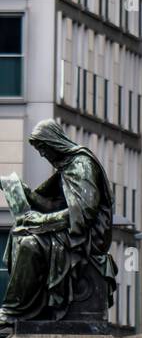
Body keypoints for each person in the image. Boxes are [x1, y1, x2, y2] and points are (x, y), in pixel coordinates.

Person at [0, 120, 117, 327]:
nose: (43, 155)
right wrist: (18, 189)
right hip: (72, 229)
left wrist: (42, 221)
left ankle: (14, 311)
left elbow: (83, 212)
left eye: (43, 149)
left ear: (54, 143)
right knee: (19, 233)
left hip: (85, 236)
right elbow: (52, 204)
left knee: (30, 245)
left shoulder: (81, 165)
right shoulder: (67, 167)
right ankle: (24, 308)